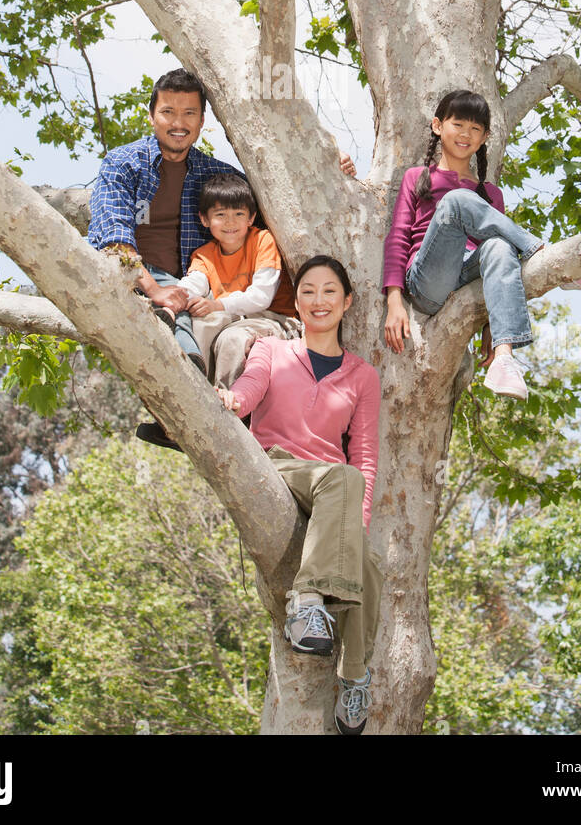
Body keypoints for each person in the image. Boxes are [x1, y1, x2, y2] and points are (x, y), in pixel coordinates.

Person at [88, 67, 357, 447]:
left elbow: (275, 211)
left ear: (202, 120)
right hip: (138, 279)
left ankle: (207, 407)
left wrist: (333, 166)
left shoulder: (217, 176)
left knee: (211, 329)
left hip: (195, 290)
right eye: (168, 112)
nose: (178, 123)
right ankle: (187, 398)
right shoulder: (122, 164)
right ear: (151, 115)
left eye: (189, 114)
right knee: (178, 319)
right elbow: (114, 239)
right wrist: (153, 290)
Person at [217, 256, 382, 736]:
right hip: (278, 464)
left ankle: (353, 677)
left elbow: (366, 456)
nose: (318, 301)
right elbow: (249, 387)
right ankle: (306, 603)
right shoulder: (271, 348)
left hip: (329, 486)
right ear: (298, 301)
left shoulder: (362, 376)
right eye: (307, 291)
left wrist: (359, 522)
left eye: (329, 291)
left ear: (347, 302)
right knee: (342, 478)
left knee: (368, 569)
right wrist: (233, 400)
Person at [382, 88, 546, 401]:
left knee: (500, 246)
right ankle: (538, 249)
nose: (465, 134)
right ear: (437, 125)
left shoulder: (491, 194)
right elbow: (398, 236)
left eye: (475, 129)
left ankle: (505, 358)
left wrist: (490, 324)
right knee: (458, 201)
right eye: (458, 124)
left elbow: (500, 263)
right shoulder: (418, 177)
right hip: (429, 279)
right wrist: (394, 302)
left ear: (484, 138)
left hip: (471, 274)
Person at [177, 174, 300, 386]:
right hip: (233, 316)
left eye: (238, 213)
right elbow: (193, 283)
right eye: (220, 214)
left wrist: (216, 304)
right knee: (201, 325)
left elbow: (261, 296)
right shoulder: (204, 255)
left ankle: (230, 401)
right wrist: (174, 296)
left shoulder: (263, 241)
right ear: (204, 219)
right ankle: (197, 387)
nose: (230, 222)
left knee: (232, 339)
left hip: (274, 318)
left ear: (251, 217)